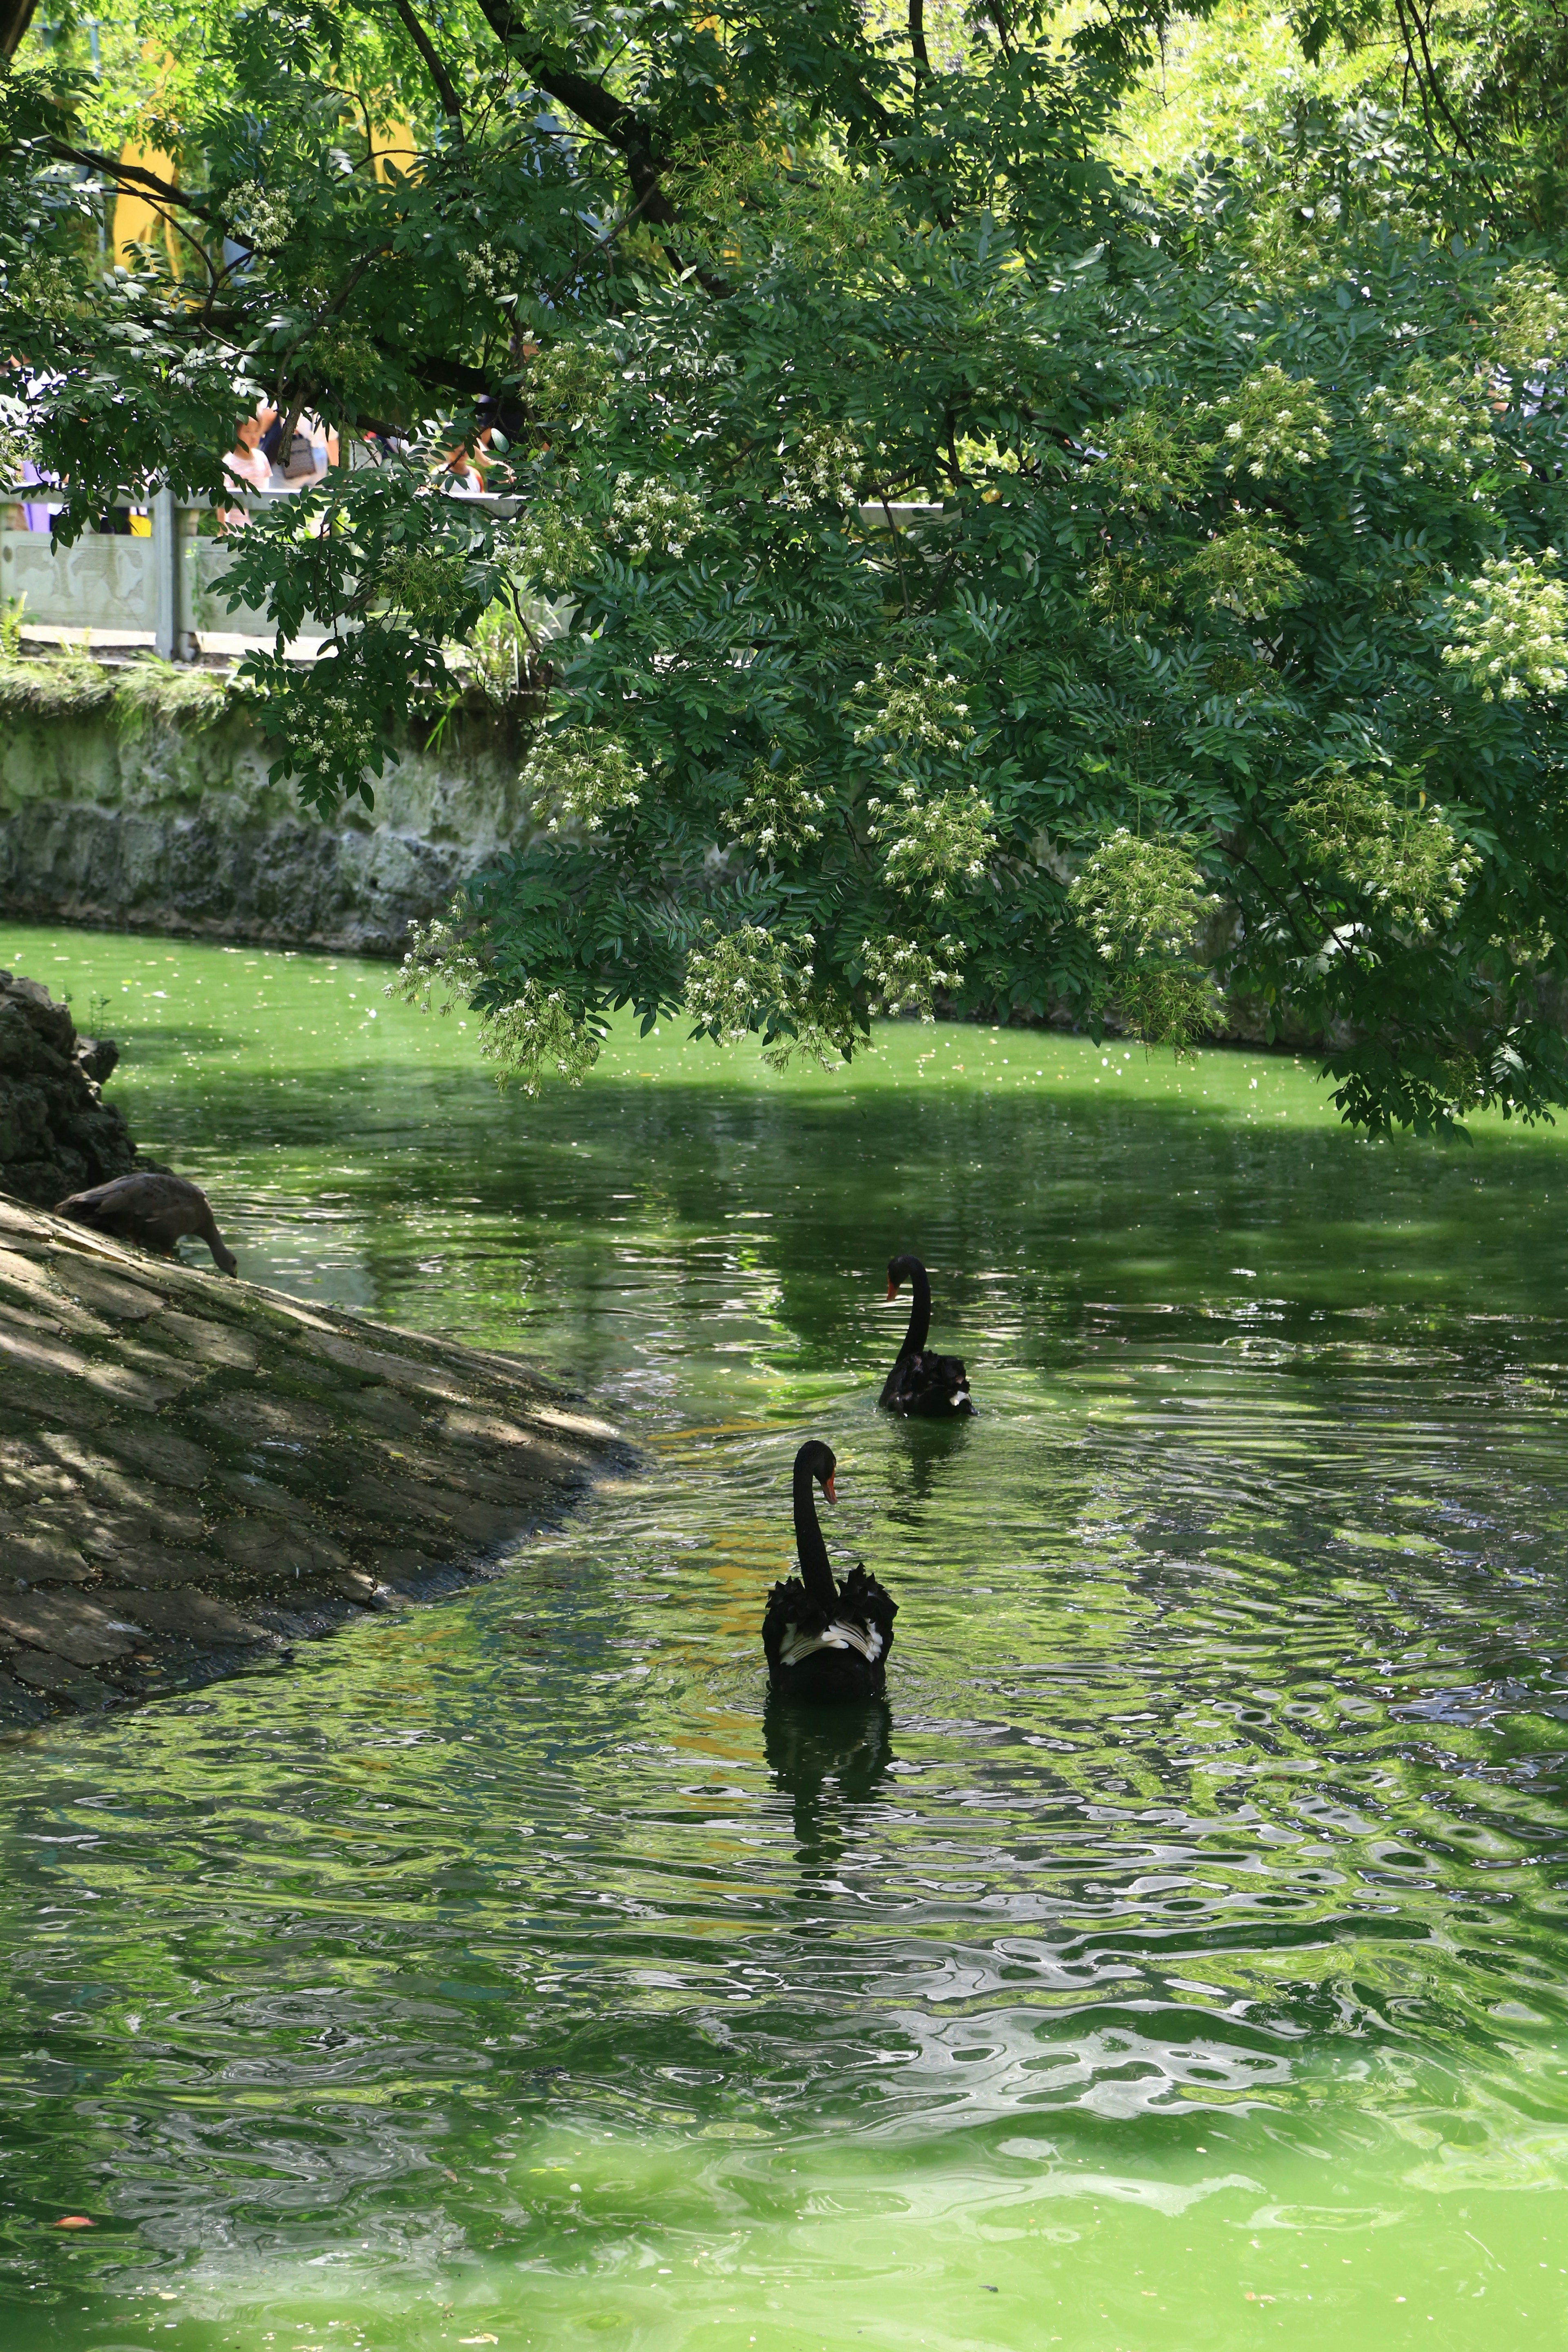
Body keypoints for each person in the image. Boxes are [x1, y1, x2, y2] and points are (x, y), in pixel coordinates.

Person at [218, 407, 275, 529]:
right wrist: (222, 529)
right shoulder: (229, 463)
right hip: (237, 530)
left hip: (261, 528)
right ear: (237, 433)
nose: (254, 436)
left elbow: (267, 492)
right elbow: (222, 499)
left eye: (257, 430)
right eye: (248, 431)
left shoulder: (262, 458)